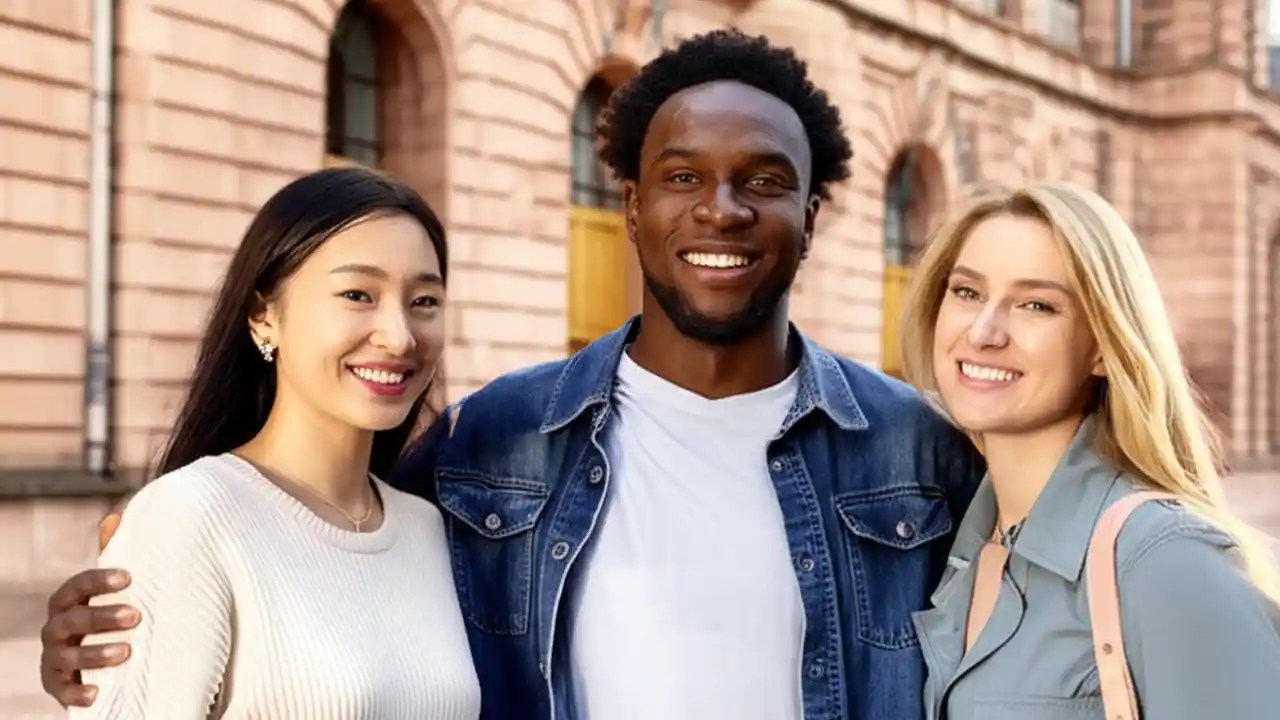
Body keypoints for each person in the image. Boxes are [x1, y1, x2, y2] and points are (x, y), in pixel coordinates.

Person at [39, 29, 985, 719]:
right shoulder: (496, 440)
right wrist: (124, 609)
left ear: (812, 216)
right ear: (632, 203)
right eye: (684, 177)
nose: (722, 210)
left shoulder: (922, 449)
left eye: (766, 182)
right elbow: (293, 543)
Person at [55, 167, 482, 718]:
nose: (398, 336)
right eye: (358, 294)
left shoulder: (425, 528)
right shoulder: (191, 516)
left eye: (424, 301)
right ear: (264, 316)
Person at [900, 181, 1280, 719]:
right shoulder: (963, 547)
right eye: (967, 292)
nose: (984, 332)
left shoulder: (1164, 561)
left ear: (1102, 348)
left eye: (1036, 305)